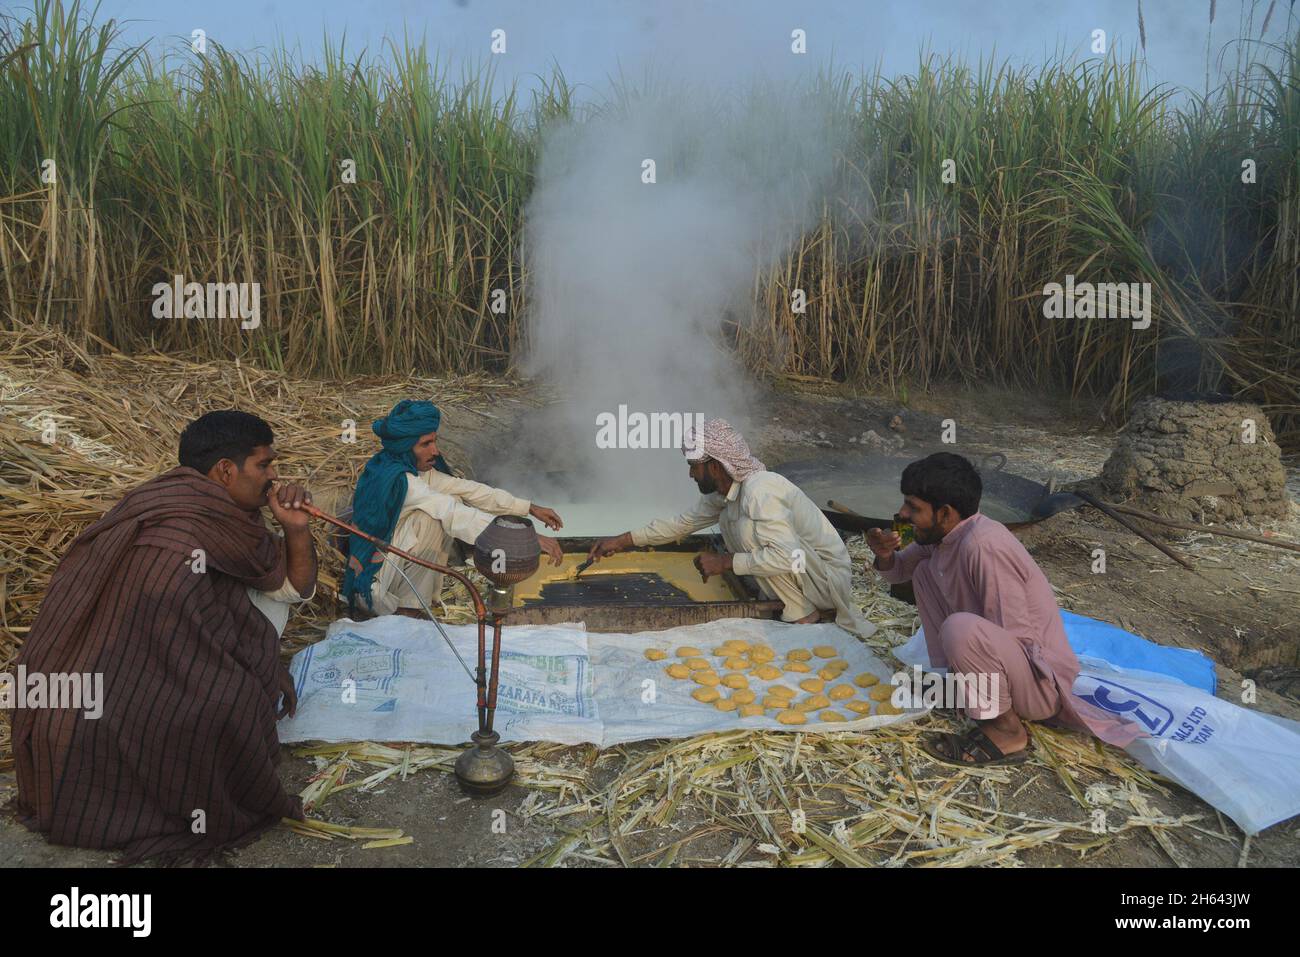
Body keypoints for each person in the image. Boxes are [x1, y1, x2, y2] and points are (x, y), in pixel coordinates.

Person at [10, 410, 316, 862]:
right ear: (226, 471)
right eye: (265, 465)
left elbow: (293, 588)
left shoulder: (194, 506)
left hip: (93, 689)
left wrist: (296, 528)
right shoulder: (185, 526)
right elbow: (175, 636)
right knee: (224, 705)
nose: (274, 478)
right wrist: (233, 680)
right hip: (124, 683)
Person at [867, 452, 1139, 767]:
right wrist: (885, 554)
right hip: (998, 669)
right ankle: (957, 687)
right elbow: (899, 571)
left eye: (913, 508)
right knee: (926, 572)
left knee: (961, 629)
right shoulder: (939, 536)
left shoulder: (983, 545)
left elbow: (1018, 636)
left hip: (1038, 686)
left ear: (944, 513)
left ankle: (1007, 729)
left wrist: (991, 695)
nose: (902, 514)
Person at [587, 418, 874, 636]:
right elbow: (680, 525)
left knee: (748, 532)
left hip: (827, 579)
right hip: (807, 574)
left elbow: (787, 556)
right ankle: (793, 603)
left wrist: (724, 562)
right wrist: (622, 541)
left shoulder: (760, 491)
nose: (690, 474)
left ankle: (804, 614)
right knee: (736, 525)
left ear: (714, 467)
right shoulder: (725, 494)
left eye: (693, 466)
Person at [343, 399, 564, 617]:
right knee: (433, 517)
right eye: (426, 444)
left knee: (455, 495)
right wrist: (523, 539)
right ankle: (408, 609)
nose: (435, 451)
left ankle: (414, 603)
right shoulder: (401, 481)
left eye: (434, 442)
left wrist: (528, 507)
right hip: (373, 589)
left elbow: (469, 490)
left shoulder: (405, 468)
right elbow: (453, 513)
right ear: (405, 446)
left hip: (393, 573)